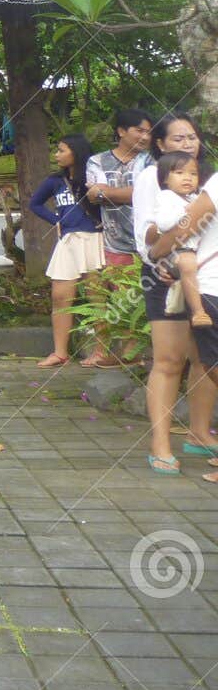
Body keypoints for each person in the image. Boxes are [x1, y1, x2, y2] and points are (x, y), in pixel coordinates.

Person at [135, 112, 218, 472]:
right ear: (160, 144)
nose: (187, 144)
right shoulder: (150, 178)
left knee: (205, 358)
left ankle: (199, 433)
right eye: (178, 138)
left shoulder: (206, 179)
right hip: (164, 275)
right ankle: (160, 444)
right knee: (169, 361)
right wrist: (162, 262)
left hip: (204, 278)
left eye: (192, 137)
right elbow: (146, 233)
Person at [30, 134, 106, 369]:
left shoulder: (93, 178)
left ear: (76, 151)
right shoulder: (55, 181)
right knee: (60, 296)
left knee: (97, 297)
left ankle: (101, 351)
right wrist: (56, 220)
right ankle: (60, 353)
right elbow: (35, 203)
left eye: (61, 150)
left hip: (94, 239)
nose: (57, 155)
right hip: (68, 242)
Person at [84, 107, 153, 268]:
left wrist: (105, 193)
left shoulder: (153, 161)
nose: (145, 137)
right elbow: (93, 196)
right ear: (121, 131)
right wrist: (135, 193)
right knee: (117, 285)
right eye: (140, 131)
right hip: (114, 248)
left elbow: (151, 195)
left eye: (149, 132)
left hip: (150, 246)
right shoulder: (97, 161)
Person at [153, 153, 209, 328]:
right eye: (179, 173)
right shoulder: (166, 197)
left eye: (193, 174)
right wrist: (187, 211)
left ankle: (179, 297)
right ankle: (198, 312)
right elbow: (163, 223)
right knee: (188, 264)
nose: (187, 178)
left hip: (196, 249)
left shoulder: (195, 198)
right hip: (177, 250)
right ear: (165, 179)